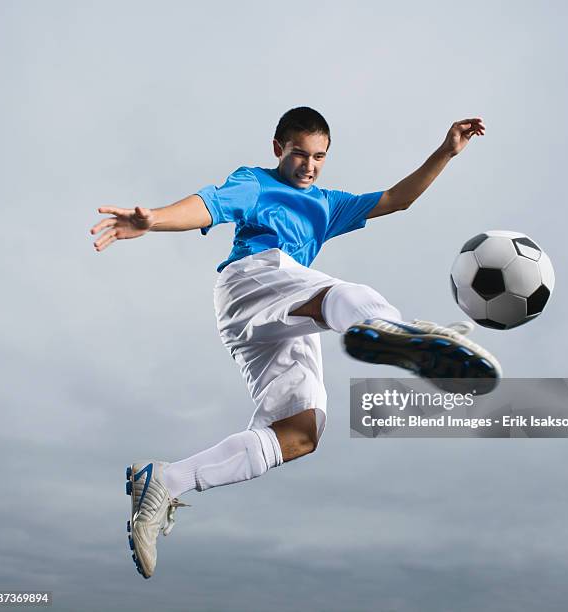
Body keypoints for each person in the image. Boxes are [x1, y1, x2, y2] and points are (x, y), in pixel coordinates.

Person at [90, 107, 501, 579]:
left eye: (319, 157)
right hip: (253, 281)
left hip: (284, 318)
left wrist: (446, 152)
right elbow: (207, 205)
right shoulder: (257, 183)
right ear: (278, 149)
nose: (309, 166)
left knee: (303, 432)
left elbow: (395, 199)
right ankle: (393, 331)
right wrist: (154, 220)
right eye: (300, 154)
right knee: (344, 295)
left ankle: (165, 480)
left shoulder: (326, 204)